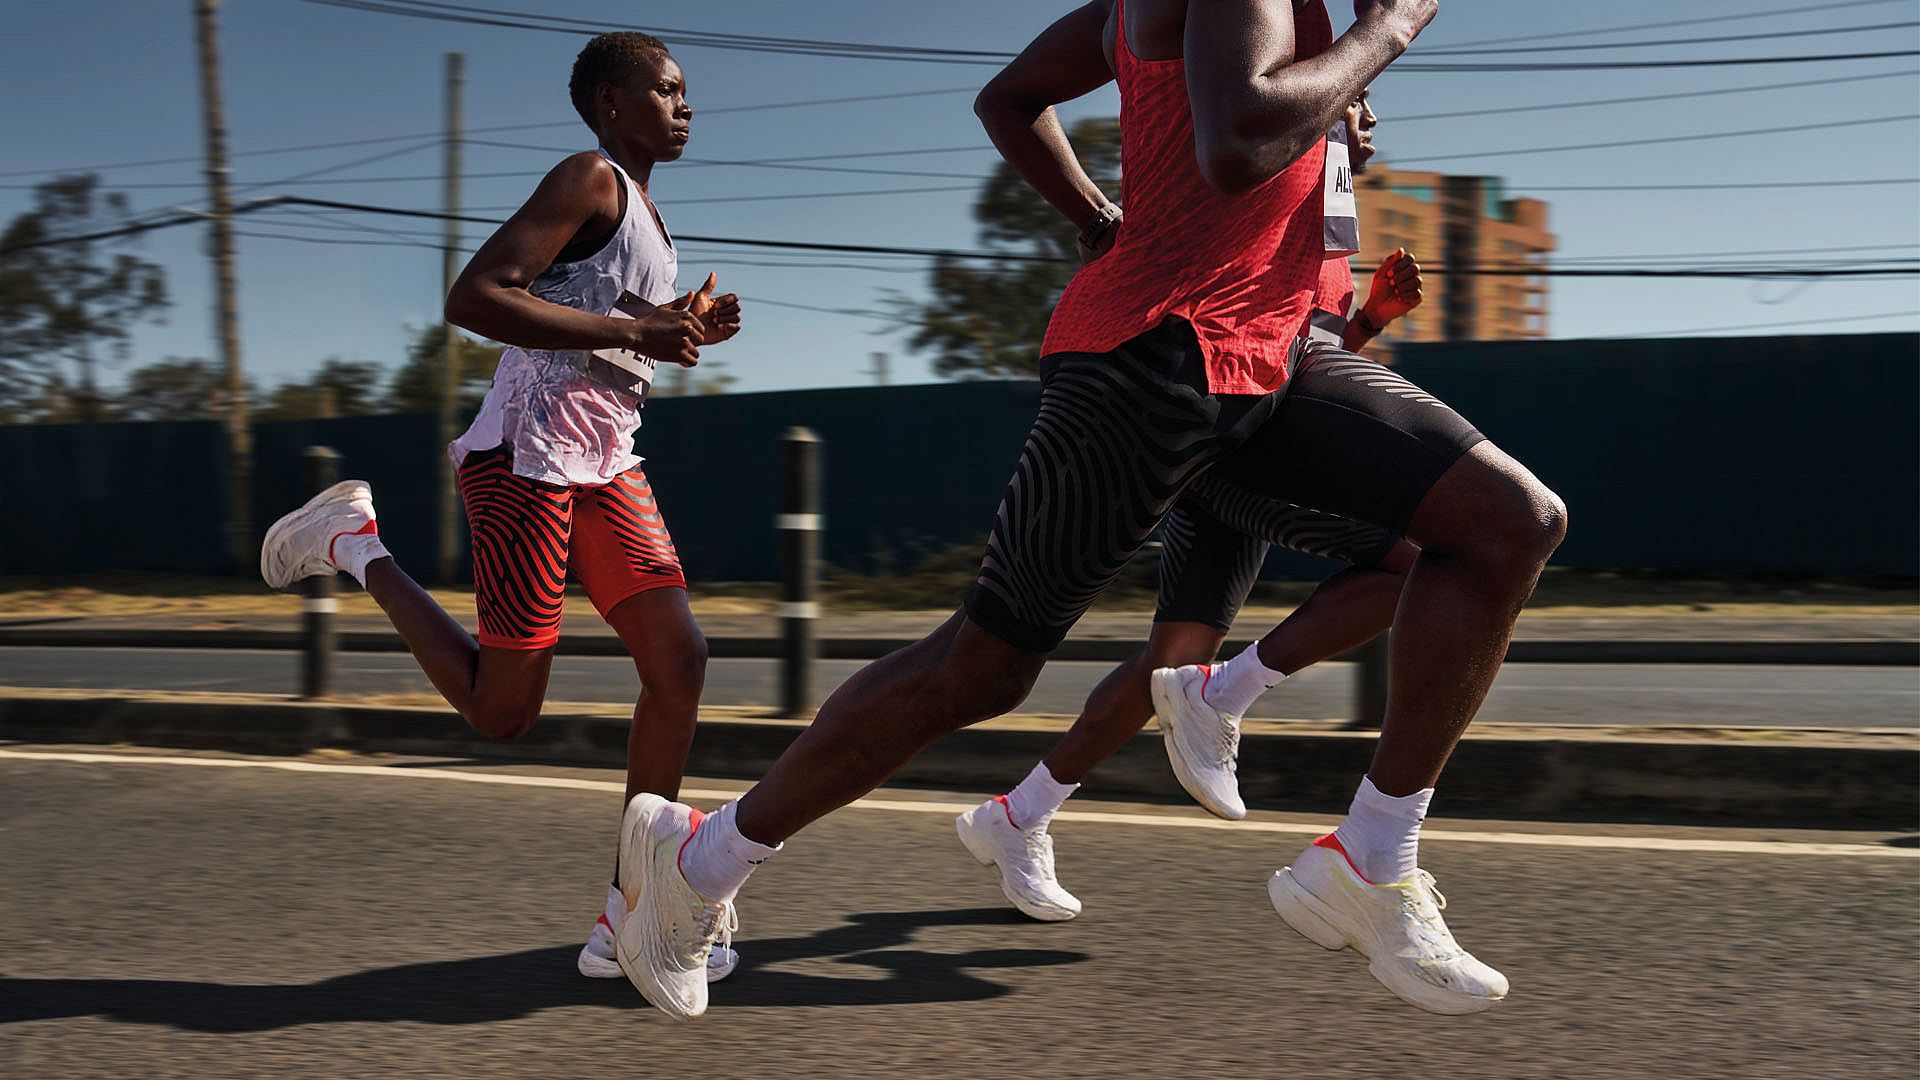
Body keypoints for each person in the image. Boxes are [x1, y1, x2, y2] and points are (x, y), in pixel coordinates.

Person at [622, 0, 1563, 1021]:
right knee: (979, 670)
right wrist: (1385, 33)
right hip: (1156, 360)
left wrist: (1327, 119)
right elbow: (1239, 138)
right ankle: (698, 863)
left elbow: (1030, 100)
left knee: (1505, 521)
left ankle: (1373, 855)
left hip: (1279, 352)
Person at [256, 32, 746, 985]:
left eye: (687, 94)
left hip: (603, 458)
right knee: (503, 713)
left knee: (678, 661)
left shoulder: (646, 212)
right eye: (668, 90)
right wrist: (634, 324)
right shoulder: (590, 177)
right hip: (525, 454)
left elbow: (611, 333)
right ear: (610, 101)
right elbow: (476, 295)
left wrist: (680, 324)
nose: (688, 107)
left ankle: (631, 915)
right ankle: (357, 544)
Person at [955, 85, 1427, 923]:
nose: (1369, 121)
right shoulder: (1273, 158)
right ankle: (1229, 692)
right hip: (1212, 402)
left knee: (1165, 671)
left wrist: (1369, 321)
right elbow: (1233, 287)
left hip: (1257, 407)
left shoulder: (1333, 202)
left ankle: (1017, 815)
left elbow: (1300, 332)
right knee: (1422, 564)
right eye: (1360, 105)